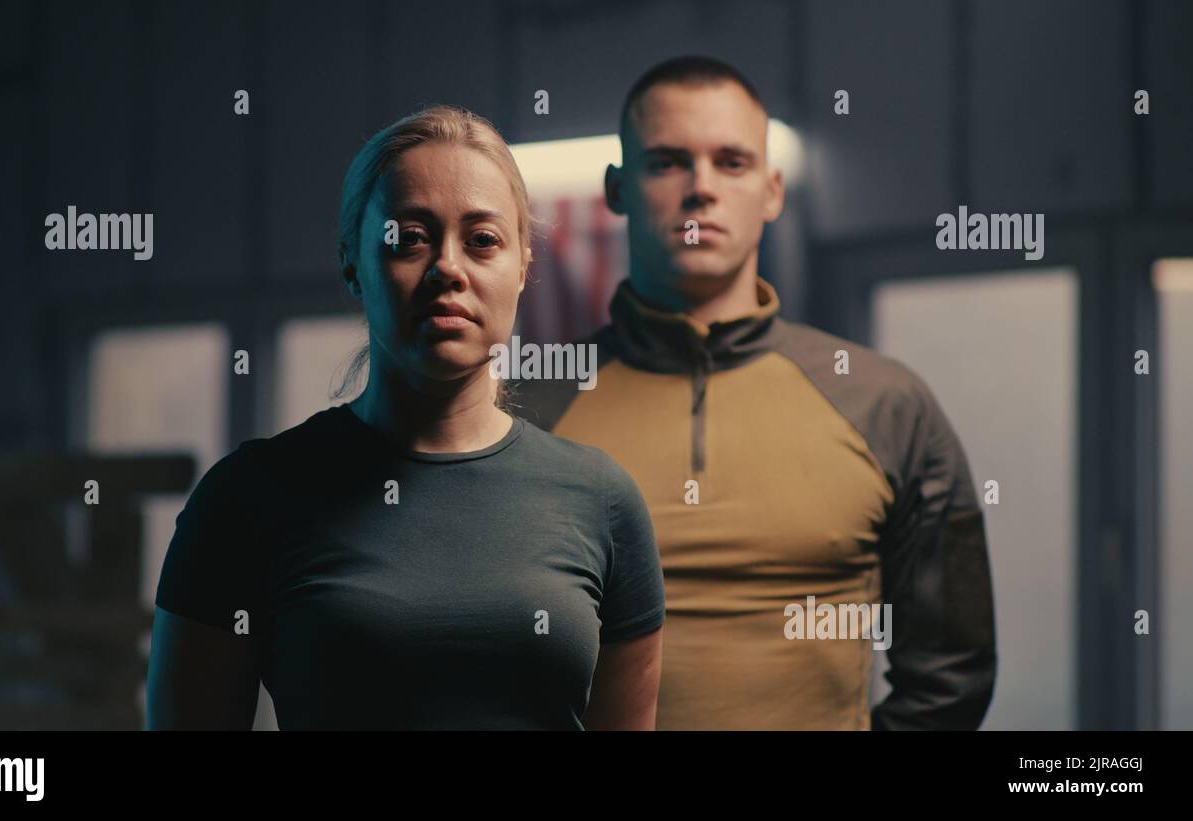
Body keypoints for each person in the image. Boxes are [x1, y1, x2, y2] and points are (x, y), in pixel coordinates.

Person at [511, 56, 996, 730]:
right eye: (667, 161)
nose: (700, 188)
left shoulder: (887, 403)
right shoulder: (522, 410)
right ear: (617, 189)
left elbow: (952, 674)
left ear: (772, 190)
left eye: (731, 162)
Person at [146, 105, 664, 730]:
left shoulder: (601, 499)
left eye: (482, 240)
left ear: (524, 266)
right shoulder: (247, 497)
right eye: (409, 238)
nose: (448, 267)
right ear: (351, 263)